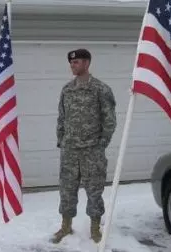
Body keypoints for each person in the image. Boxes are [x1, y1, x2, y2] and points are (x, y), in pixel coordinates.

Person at [51, 48, 117, 244]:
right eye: (71, 63)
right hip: (70, 150)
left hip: (92, 150)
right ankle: (65, 226)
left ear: (87, 63)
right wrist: (61, 140)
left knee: (94, 190)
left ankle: (95, 228)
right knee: (66, 189)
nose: (72, 65)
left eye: (76, 62)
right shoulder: (67, 90)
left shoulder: (101, 89)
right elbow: (61, 118)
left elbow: (110, 119)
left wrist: (101, 144)